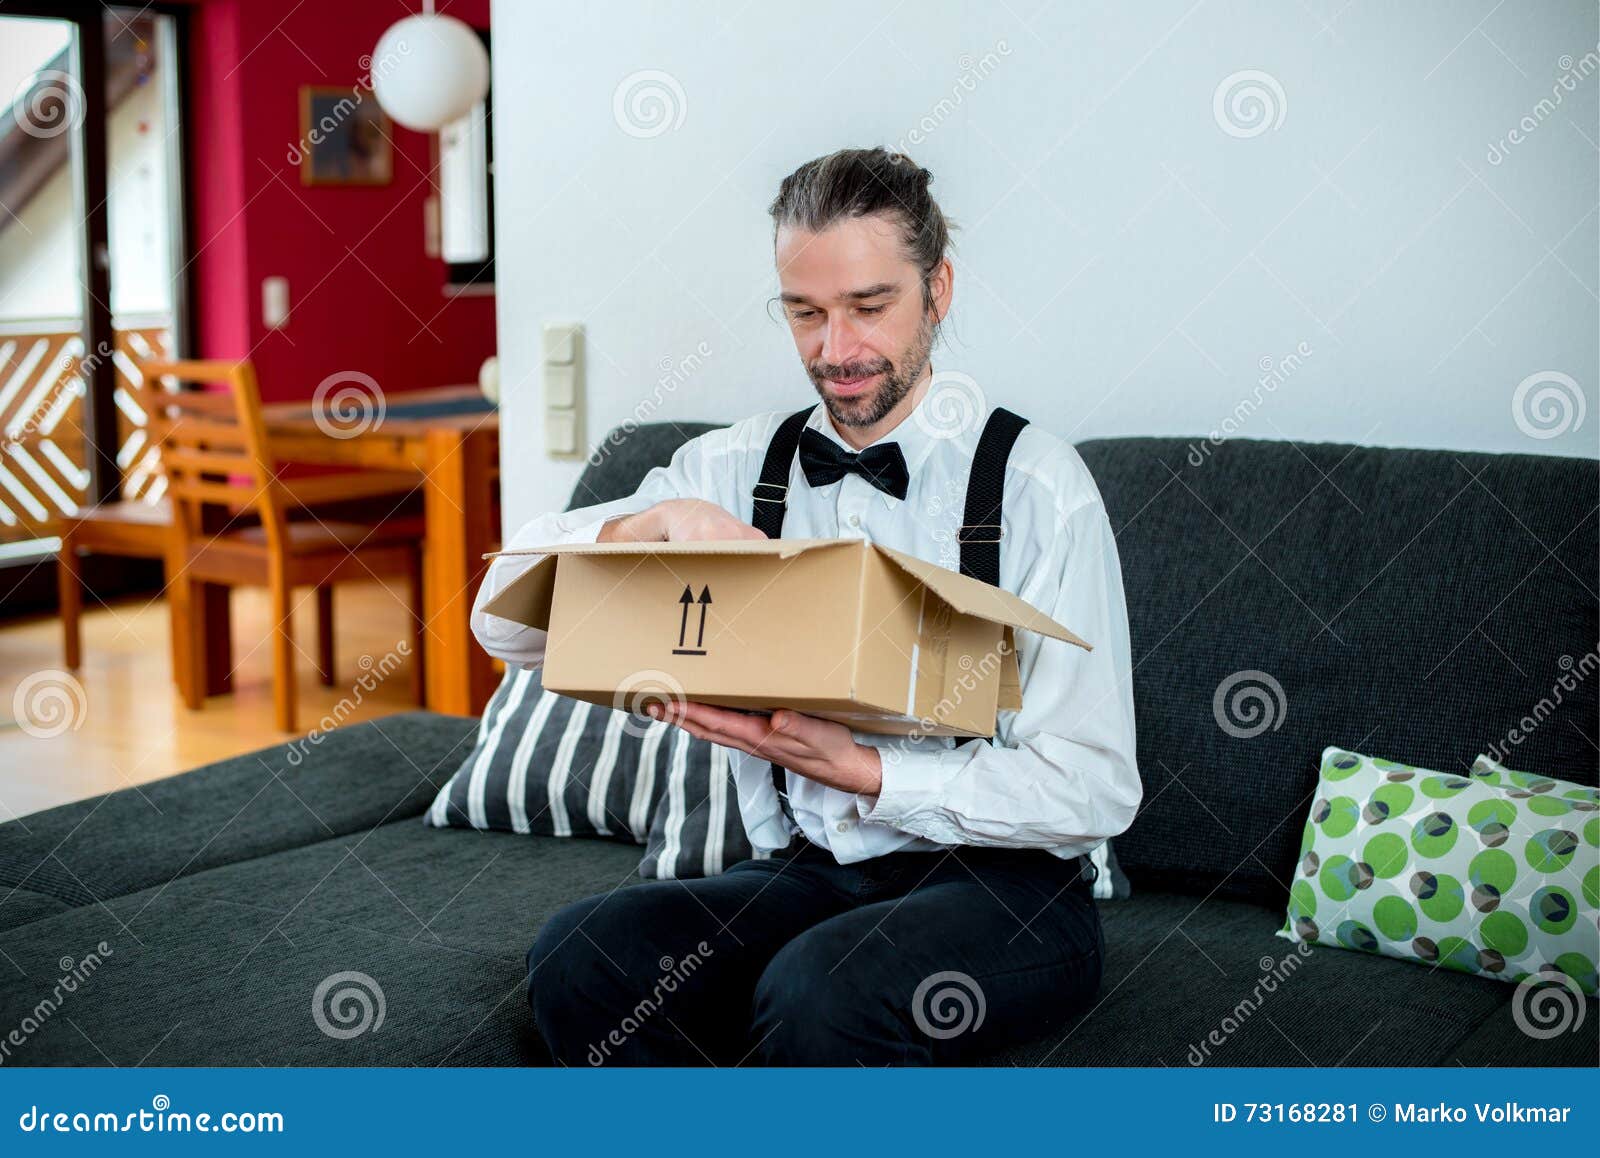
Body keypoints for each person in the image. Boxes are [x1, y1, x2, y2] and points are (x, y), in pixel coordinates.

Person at [471, 147, 1141, 1065]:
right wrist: (653, 524)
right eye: (805, 312)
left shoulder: (1039, 488)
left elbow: (1096, 788)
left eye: (870, 306)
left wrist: (868, 771)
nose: (836, 350)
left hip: (1010, 893)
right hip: (810, 875)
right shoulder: (731, 467)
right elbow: (503, 628)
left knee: (823, 989)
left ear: (937, 291)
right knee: (583, 958)